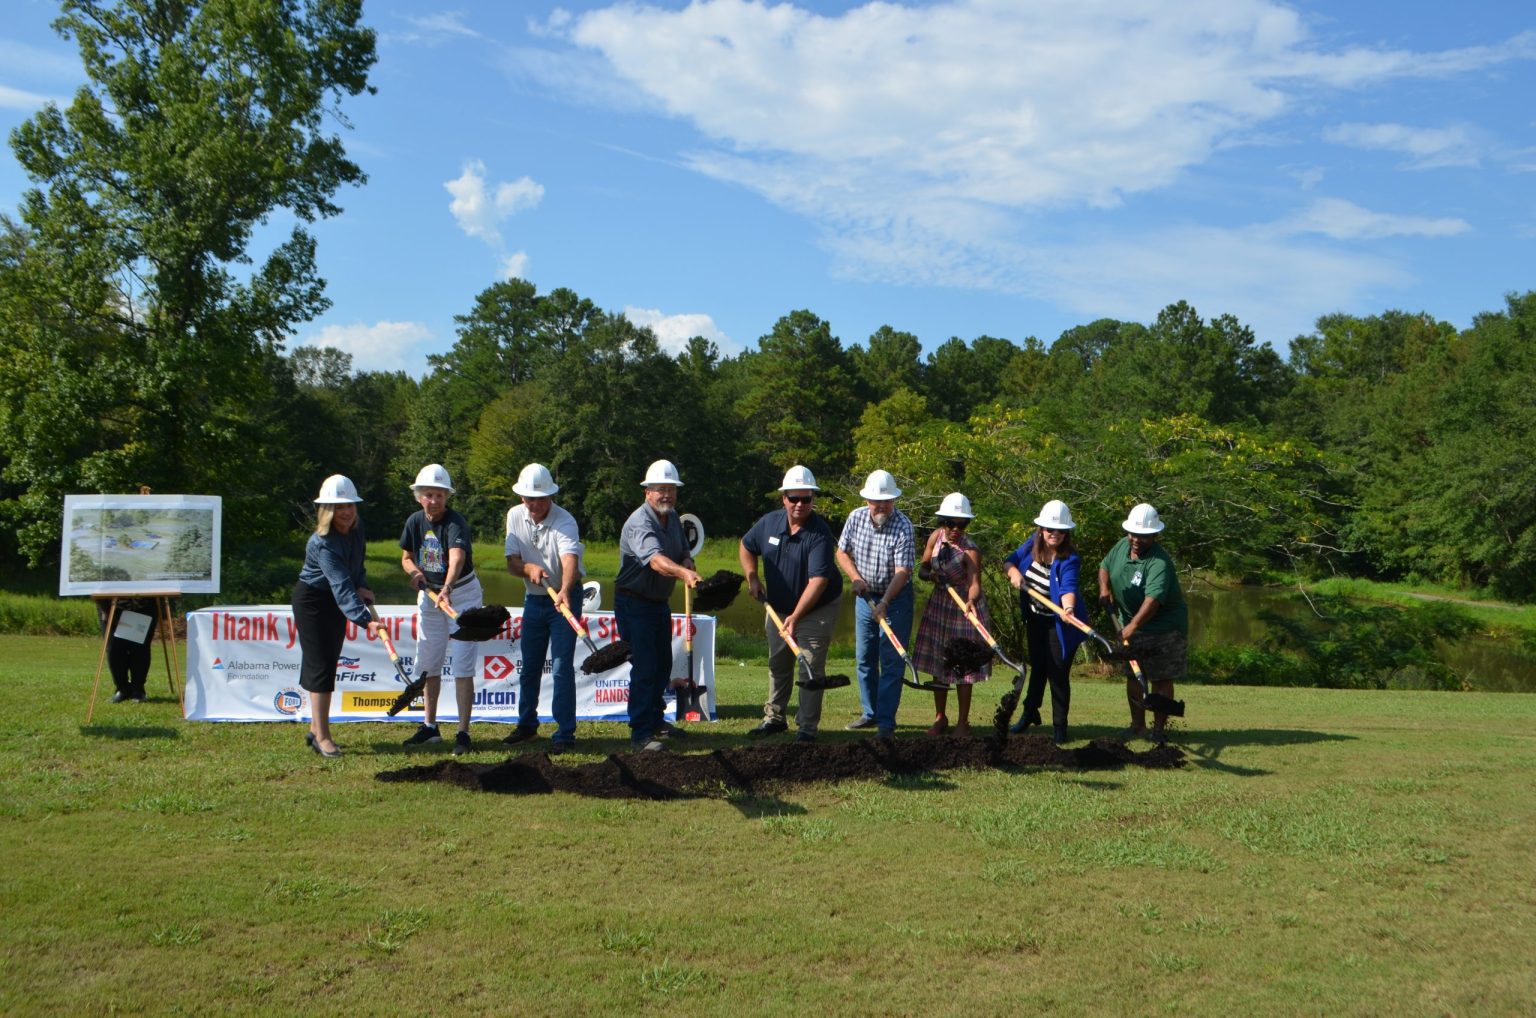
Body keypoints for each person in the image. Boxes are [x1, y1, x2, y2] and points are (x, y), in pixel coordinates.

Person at [741, 465, 845, 743]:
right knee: (779, 662)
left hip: (817, 607)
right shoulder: (768, 523)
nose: (800, 504)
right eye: (793, 498)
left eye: (806, 498)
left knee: (809, 664)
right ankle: (774, 718)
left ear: (813, 499)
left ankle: (807, 728)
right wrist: (752, 577)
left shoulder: (819, 533)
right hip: (777, 607)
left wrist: (797, 616)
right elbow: (746, 546)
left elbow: (818, 581)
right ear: (783, 498)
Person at [398, 464, 484, 757]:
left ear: (446, 497)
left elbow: (457, 557)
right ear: (419, 497)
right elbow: (407, 557)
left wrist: (447, 588)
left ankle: (463, 732)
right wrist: (414, 573)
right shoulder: (414, 522)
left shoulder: (455, 522)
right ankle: (430, 727)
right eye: (428, 494)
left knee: (462, 665)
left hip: (461, 596)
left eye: (439, 495)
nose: (434, 500)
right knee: (428, 663)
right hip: (430, 597)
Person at [291, 474, 379, 758]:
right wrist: (366, 621)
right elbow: (341, 586)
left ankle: (316, 729)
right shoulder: (323, 543)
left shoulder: (357, 528)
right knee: (320, 667)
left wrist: (362, 584)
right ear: (327, 510)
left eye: (350, 506)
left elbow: (356, 563)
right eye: (340, 507)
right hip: (313, 602)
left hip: (335, 601)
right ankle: (323, 738)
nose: (347, 512)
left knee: (327, 663)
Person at [615, 460, 700, 751]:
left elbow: (681, 549)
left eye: (671, 489)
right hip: (633, 603)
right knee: (645, 667)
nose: (667, 494)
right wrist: (683, 572)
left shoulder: (672, 516)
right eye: (660, 489)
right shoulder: (640, 522)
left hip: (658, 603)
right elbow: (656, 561)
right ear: (647, 492)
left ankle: (655, 720)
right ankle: (640, 732)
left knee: (662, 664)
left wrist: (687, 560)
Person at [502, 463, 585, 754]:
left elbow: (570, 560)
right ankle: (527, 725)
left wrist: (563, 590)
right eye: (528, 498)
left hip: (565, 597)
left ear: (550, 496)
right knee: (530, 666)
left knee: (562, 668)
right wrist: (528, 568)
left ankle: (565, 733)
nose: (533, 503)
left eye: (538, 498)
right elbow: (511, 562)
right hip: (534, 599)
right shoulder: (514, 515)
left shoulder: (565, 521)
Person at [1098, 502, 1188, 746]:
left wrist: (1133, 626)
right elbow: (1104, 566)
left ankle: (1158, 730)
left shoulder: (1158, 562)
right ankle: (1137, 725)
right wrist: (1105, 588)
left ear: (1155, 535)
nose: (1136, 539)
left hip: (1164, 629)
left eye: (1143, 536)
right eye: (1133, 534)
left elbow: (1153, 601)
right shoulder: (1121, 546)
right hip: (1130, 622)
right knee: (1134, 676)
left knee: (1160, 678)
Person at [834, 469, 915, 740]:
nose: (880, 505)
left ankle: (885, 723)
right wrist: (855, 577)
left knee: (891, 661)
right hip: (864, 596)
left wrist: (885, 602)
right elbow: (841, 552)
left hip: (896, 598)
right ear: (867, 500)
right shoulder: (855, 517)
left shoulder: (903, 525)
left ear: (894, 501)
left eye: (886, 501)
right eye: (875, 501)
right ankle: (870, 713)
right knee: (865, 658)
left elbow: (903, 571)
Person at [1003, 499, 1088, 744]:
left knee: (1057, 673)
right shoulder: (1032, 544)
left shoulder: (1069, 559)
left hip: (1061, 624)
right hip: (1036, 619)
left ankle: (1060, 725)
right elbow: (1009, 561)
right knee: (1038, 668)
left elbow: (1069, 587)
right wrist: (1015, 573)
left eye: (1061, 530)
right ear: (1042, 529)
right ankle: (1030, 712)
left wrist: (1068, 608)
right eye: (1051, 529)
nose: (1055, 534)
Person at [911, 492, 992, 738]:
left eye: (962, 524)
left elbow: (975, 583)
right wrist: (931, 576)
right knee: (941, 661)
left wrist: (970, 600)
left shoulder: (971, 551)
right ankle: (940, 717)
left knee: (963, 666)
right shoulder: (935, 538)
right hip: (940, 604)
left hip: (964, 608)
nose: (955, 529)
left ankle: (963, 722)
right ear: (942, 522)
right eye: (950, 523)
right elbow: (923, 570)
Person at [96, 597, 159, 703]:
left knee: (140, 649)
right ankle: (122, 689)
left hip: (144, 603)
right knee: (114, 649)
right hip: (111, 604)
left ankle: (138, 690)